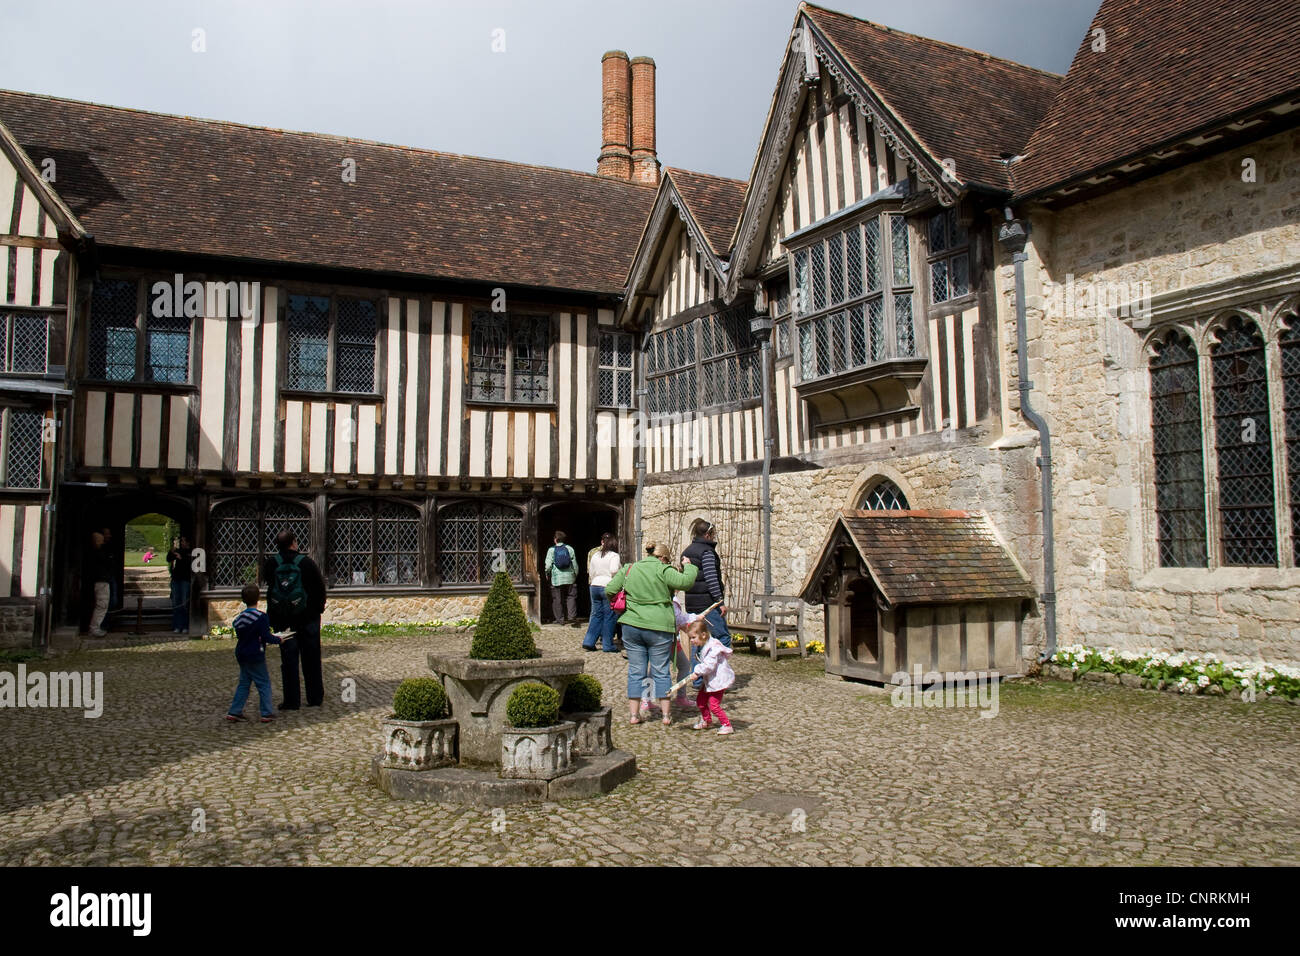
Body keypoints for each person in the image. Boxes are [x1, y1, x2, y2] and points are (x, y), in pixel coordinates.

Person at [605, 542, 698, 726]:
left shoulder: (629, 569)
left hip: (631, 626)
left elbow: (609, 590)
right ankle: (665, 716)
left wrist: (629, 605)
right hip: (659, 627)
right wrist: (689, 566)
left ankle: (634, 715)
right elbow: (686, 582)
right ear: (663, 558)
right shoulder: (664, 570)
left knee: (635, 671)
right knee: (661, 671)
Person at [263, 530, 327, 710]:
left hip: (284, 620)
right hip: (308, 619)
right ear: (293, 543)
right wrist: (318, 609)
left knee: (289, 659)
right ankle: (314, 697)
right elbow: (319, 588)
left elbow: (269, 588)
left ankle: (291, 700)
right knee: (311, 658)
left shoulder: (271, 563)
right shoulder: (306, 563)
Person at [225, 584, 287, 723]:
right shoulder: (261, 617)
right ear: (258, 598)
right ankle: (266, 712)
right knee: (263, 683)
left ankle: (235, 711)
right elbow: (266, 636)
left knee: (244, 683)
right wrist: (279, 640)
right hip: (255, 653)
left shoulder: (239, 619)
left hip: (242, 653)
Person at [682, 518, 731, 685]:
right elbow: (711, 578)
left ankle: (698, 679)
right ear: (708, 534)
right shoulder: (706, 552)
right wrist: (719, 600)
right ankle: (715, 677)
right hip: (707, 605)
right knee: (722, 638)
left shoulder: (687, 551)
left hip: (692, 603)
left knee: (698, 640)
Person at [686, 618, 735, 735]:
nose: (691, 641)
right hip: (709, 680)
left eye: (693, 638)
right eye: (690, 638)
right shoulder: (702, 647)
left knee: (714, 705)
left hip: (718, 680)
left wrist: (697, 672)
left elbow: (709, 665)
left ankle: (727, 725)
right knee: (701, 701)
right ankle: (707, 720)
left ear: (703, 635)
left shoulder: (713, 648)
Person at [583, 533, 621, 652]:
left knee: (596, 614)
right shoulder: (614, 556)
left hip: (594, 585)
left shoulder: (595, 555)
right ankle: (607, 644)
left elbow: (592, 571)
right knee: (609, 616)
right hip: (608, 586)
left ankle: (589, 641)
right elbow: (614, 570)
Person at [544, 531, 579, 627]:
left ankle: (560, 619)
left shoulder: (551, 550)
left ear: (555, 539)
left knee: (557, 598)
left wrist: (547, 573)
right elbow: (574, 563)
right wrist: (575, 574)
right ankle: (571, 616)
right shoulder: (569, 548)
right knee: (571, 596)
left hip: (556, 579)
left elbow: (548, 565)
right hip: (569, 577)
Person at [166, 535, 193, 634]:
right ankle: (177, 625)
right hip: (176, 579)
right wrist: (172, 551)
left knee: (184, 603)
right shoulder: (179, 550)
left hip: (185, 580)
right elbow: (169, 559)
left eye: (183, 541)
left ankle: (185, 626)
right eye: (181, 541)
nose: (182, 543)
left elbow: (191, 564)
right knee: (176, 603)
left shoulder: (191, 552)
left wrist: (181, 558)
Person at [87, 532, 112, 638]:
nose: (103, 542)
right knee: (102, 604)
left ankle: (96, 627)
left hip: (102, 580)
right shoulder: (98, 553)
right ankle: (94, 628)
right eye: (101, 540)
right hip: (101, 581)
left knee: (102, 604)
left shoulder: (97, 552)